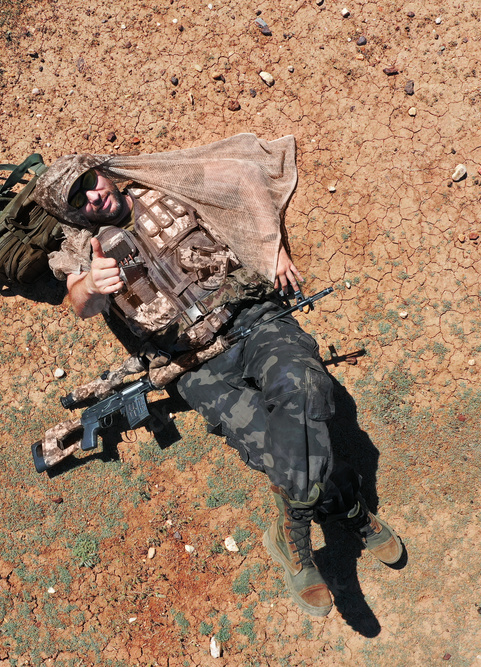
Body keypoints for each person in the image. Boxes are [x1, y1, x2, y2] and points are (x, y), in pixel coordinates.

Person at [33, 134, 403, 617]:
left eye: (89, 181)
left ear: (101, 170)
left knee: (306, 388)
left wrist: (270, 247)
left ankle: (292, 527)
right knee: (270, 442)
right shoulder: (83, 248)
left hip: (255, 323)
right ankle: (346, 506)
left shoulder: (162, 185)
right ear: (74, 217)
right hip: (192, 365)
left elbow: (240, 176)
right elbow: (79, 300)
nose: (92, 196)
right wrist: (89, 284)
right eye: (78, 201)